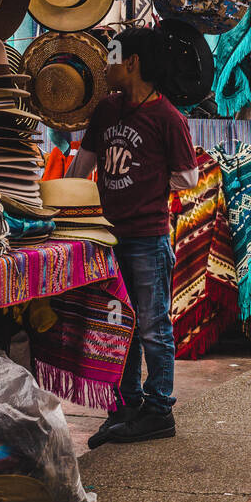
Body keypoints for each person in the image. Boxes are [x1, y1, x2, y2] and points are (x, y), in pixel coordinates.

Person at [68, 28, 198, 447]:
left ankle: (159, 410)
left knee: (153, 325)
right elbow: (81, 167)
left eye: (112, 58)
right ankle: (126, 406)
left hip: (146, 237)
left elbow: (187, 177)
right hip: (108, 238)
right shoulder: (106, 111)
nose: (106, 67)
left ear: (134, 63)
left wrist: (147, 179)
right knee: (119, 324)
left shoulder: (167, 117)